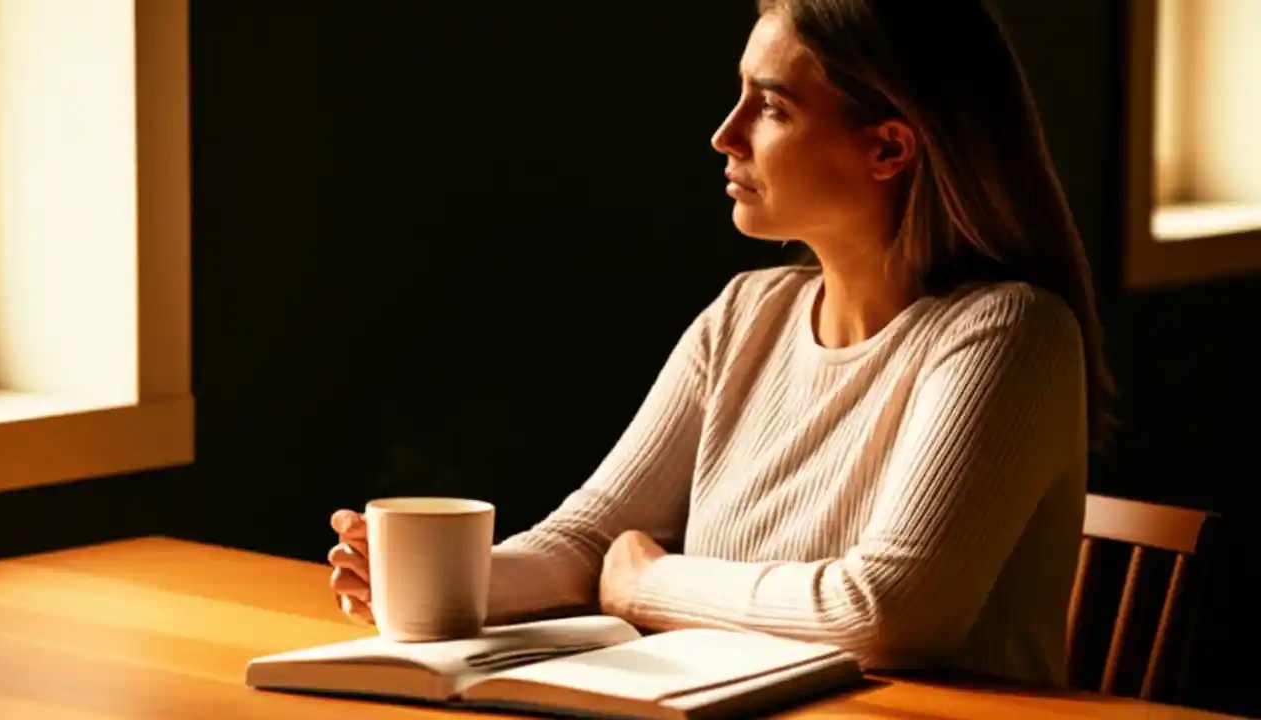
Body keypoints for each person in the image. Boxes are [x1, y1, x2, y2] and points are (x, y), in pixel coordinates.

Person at [328, 0, 1114, 688]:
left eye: (770, 108)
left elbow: (888, 616)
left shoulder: (1010, 334)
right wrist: (440, 582)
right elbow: (594, 536)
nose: (723, 135)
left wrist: (650, 585)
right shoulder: (746, 314)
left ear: (888, 148)